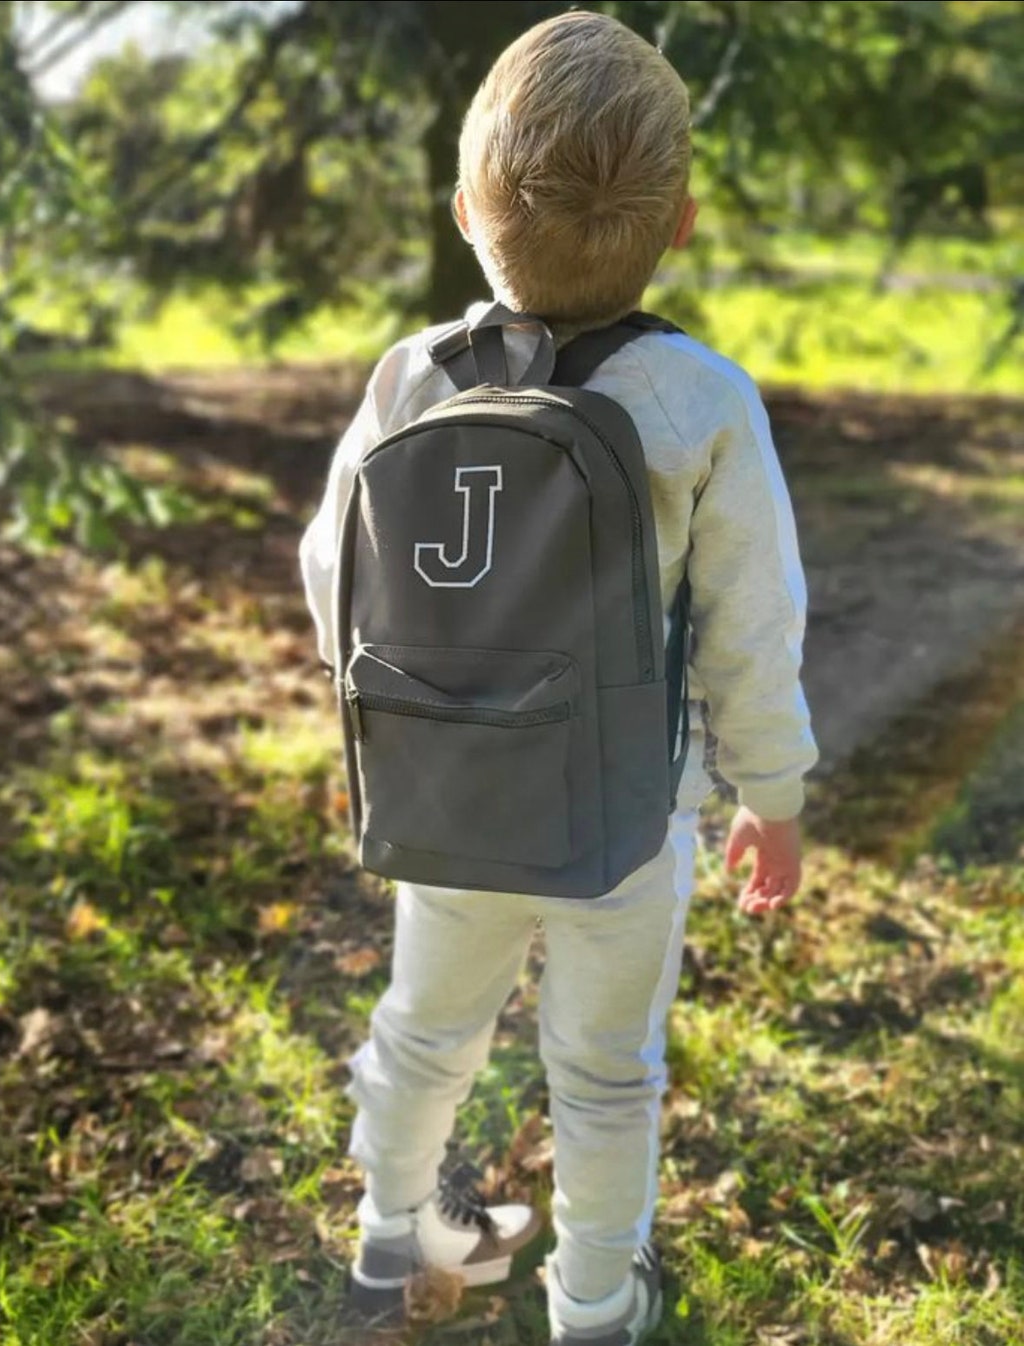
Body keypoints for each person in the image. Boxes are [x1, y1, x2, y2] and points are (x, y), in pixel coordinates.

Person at [300, 12, 818, 1345]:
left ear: (465, 211)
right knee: (603, 1074)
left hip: (446, 799)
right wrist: (771, 792)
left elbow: (330, 569)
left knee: (423, 1031)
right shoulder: (700, 400)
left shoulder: (414, 376)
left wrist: (395, 724)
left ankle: (390, 1238)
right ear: (681, 223)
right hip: (626, 825)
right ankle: (594, 1302)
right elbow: (752, 626)